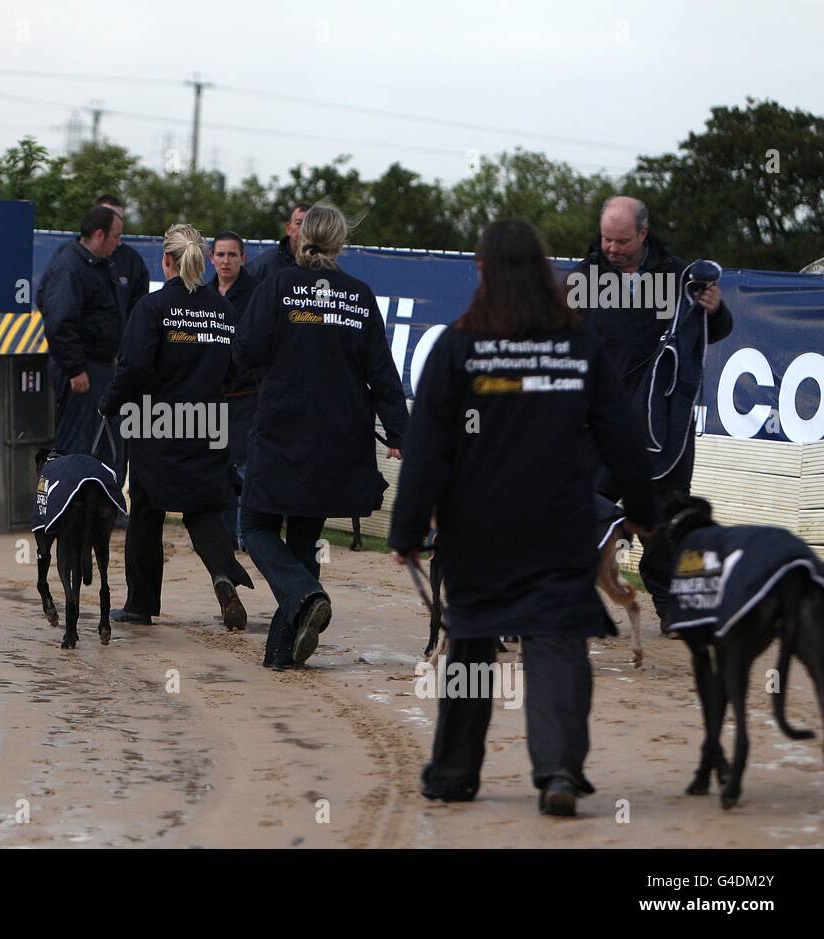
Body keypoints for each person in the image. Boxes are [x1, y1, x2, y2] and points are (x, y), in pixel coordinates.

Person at [390, 218, 657, 816]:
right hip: (562, 522)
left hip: (476, 528)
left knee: (472, 648)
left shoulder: (459, 346)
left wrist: (407, 529)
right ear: (543, 271)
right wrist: (642, 509)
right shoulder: (579, 342)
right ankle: (559, 769)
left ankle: (455, 775)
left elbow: (429, 448)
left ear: (483, 270)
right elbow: (622, 435)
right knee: (557, 640)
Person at [236, 201, 408, 669]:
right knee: (304, 536)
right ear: (340, 244)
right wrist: (398, 431)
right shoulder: (360, 295)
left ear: (300, 237)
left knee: (253, 526)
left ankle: (306, 592)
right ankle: (283, 654)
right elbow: (383, 374)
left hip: (282, 430)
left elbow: (246, 349)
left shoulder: (277, 286)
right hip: (337, 436)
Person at [570, 195, 734, 627]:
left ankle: (670, 606)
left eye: (622, 240)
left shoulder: (679, 277)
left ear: (643, 233)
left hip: (663, 424)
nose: (612, 248)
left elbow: (714, 330)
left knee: (665, 516)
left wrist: (715, 312)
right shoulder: (585, 277)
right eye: (607, 238)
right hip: (598, 424)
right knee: (580, 510)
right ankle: (565, 597)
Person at [99, 224, 254, 629]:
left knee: (147, 513)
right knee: (203, 508)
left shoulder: (152, 308)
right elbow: (237, 369)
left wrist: (110, 403)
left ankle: (140, 603)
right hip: (208, 423)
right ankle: (223, 574)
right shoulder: (222, 309)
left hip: (155, 422)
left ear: (165, 260)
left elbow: (133, 367)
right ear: (203, 262)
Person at [37, 205, 124, 470]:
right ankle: (71, 505)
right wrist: (76, 368)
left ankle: (96, 506)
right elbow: (59, 320)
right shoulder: (71, 266)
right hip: (81, 371)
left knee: (98, 445)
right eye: (116, 236)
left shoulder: (94, 265)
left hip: (97, 367)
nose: (119, 243)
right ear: (99, 234)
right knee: (77, 445)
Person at [207, 231, 258, 549]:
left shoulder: (256, 293)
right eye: (220, 255)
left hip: (247, 395)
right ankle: (223, 536)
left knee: (247, 468)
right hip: (211, 396)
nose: (226, 261)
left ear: (243, 258)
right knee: (217, 469)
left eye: (232, 255)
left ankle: (248, 535)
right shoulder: (201, 293)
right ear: (211, 258)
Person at [95, 195, 153, 328]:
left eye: (118, 217)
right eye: (108, 216)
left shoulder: (132, 260)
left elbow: (139, 307)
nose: (113, 221)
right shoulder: (74, 257)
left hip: (120, 343)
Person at [248, 203, 308, 281]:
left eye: (309, 224)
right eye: (299, 223)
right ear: (288, 229)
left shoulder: (323, 265)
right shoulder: (266, 264)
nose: (304, 229)